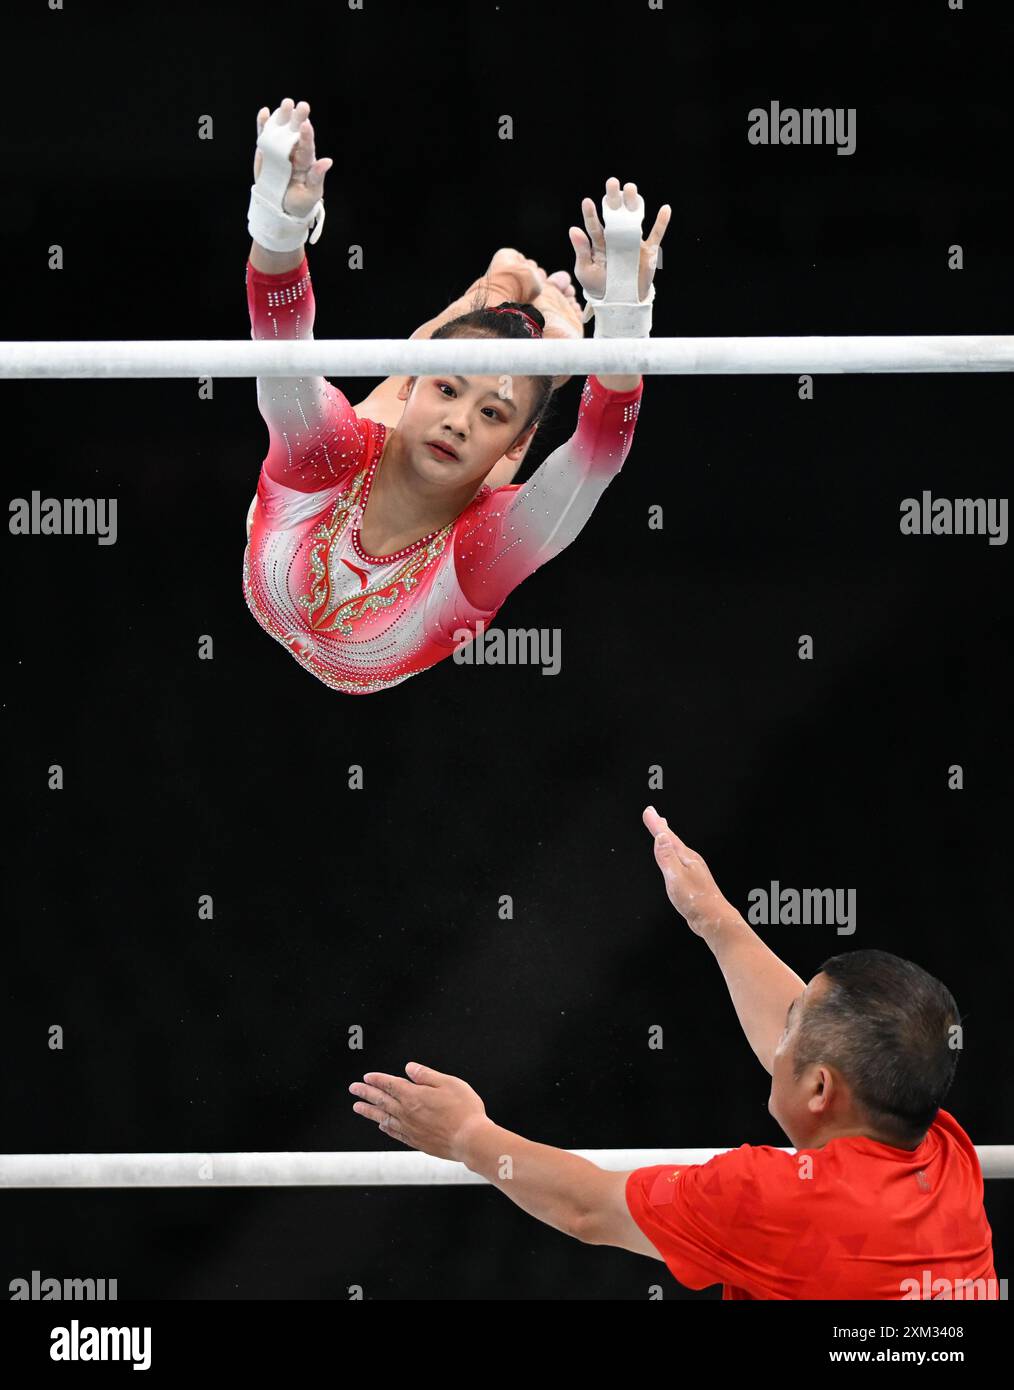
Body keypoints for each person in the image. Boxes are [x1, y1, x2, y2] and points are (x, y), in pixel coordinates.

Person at [350, 807, 998, 1300]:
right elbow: (840, 1047)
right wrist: (714, 919)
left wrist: (468, 1136)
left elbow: (588, 1209)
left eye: (794, 1020)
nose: (782, 1029)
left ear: (823, 1090)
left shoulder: (767, 1198)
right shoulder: (945, 1153)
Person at [243, 98, 670, 694]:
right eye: (445, 392)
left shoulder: (484, 550)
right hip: (353, 478)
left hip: (439, 523)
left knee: (481, 387)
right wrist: (279, 225)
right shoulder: (328, 453)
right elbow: (281, 346)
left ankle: (530, 317)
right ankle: (530, 315)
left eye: (488, 417)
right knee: (458, 375)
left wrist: (624, 329)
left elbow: (592, 460)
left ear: (520, 446)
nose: (460, 423)